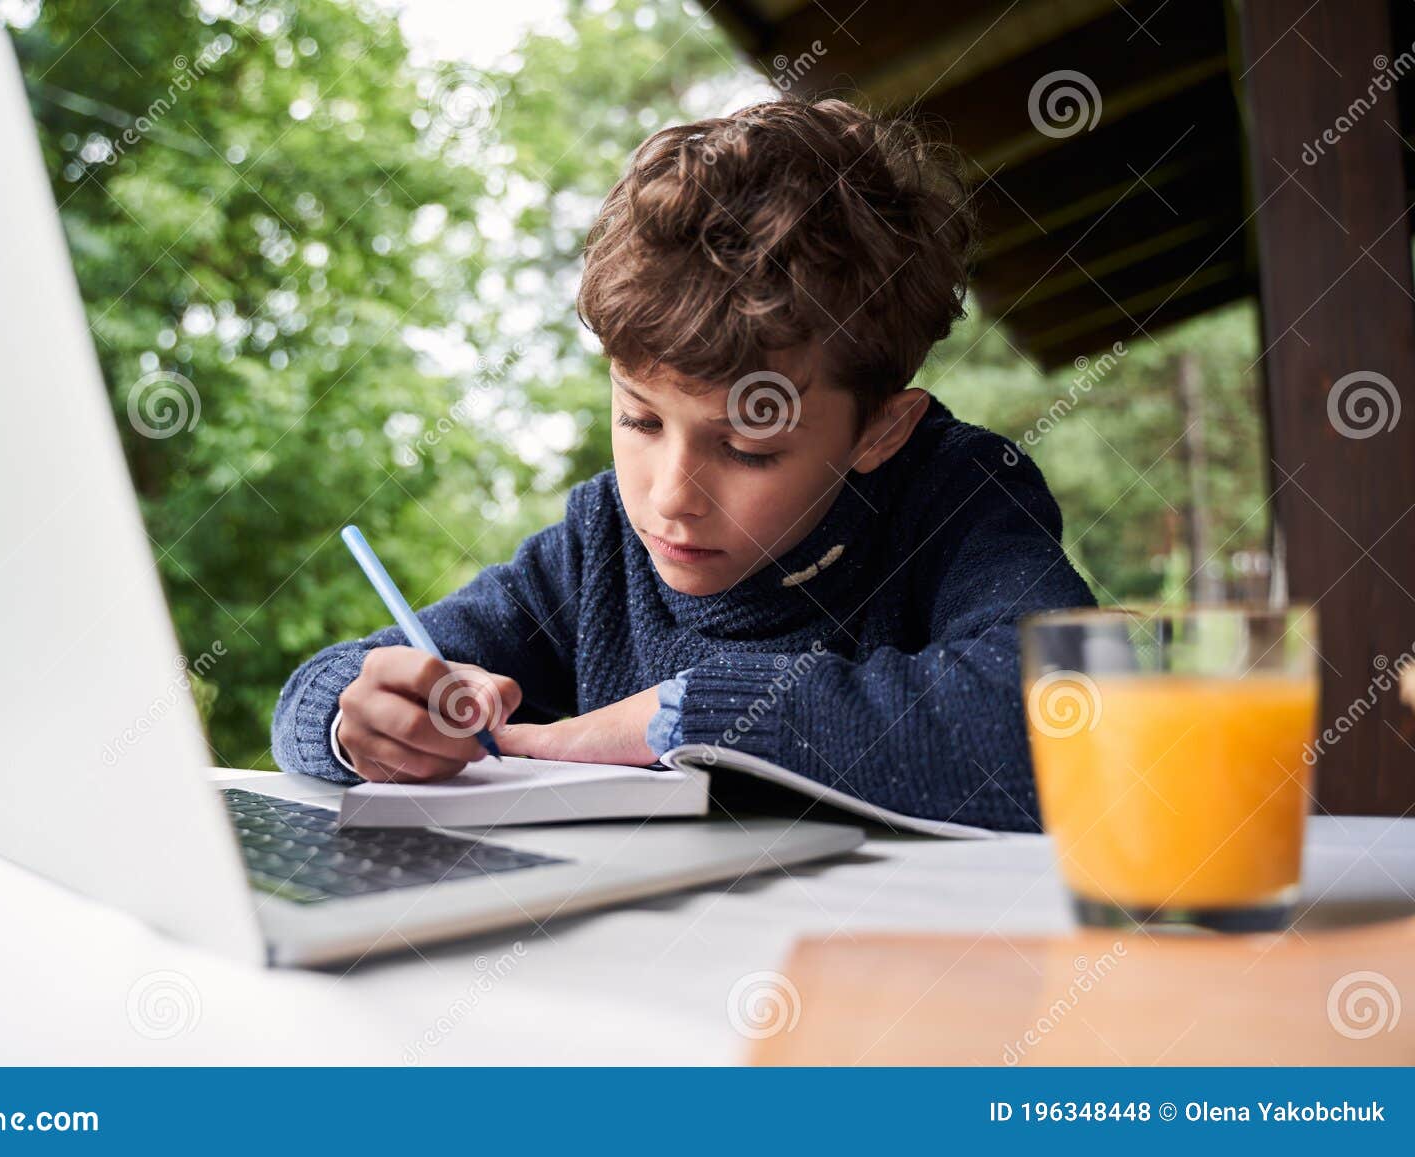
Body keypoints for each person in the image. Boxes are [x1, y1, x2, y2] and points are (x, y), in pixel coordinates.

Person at [270, 97, 1095, 832]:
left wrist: (682, 715)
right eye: (639, 417)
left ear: (880, 431)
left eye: (748, 447)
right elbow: (320, 689)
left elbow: (1070, 717)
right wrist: (360, 722)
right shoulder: (600, 546)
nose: (670, 499)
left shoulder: (955, 496)